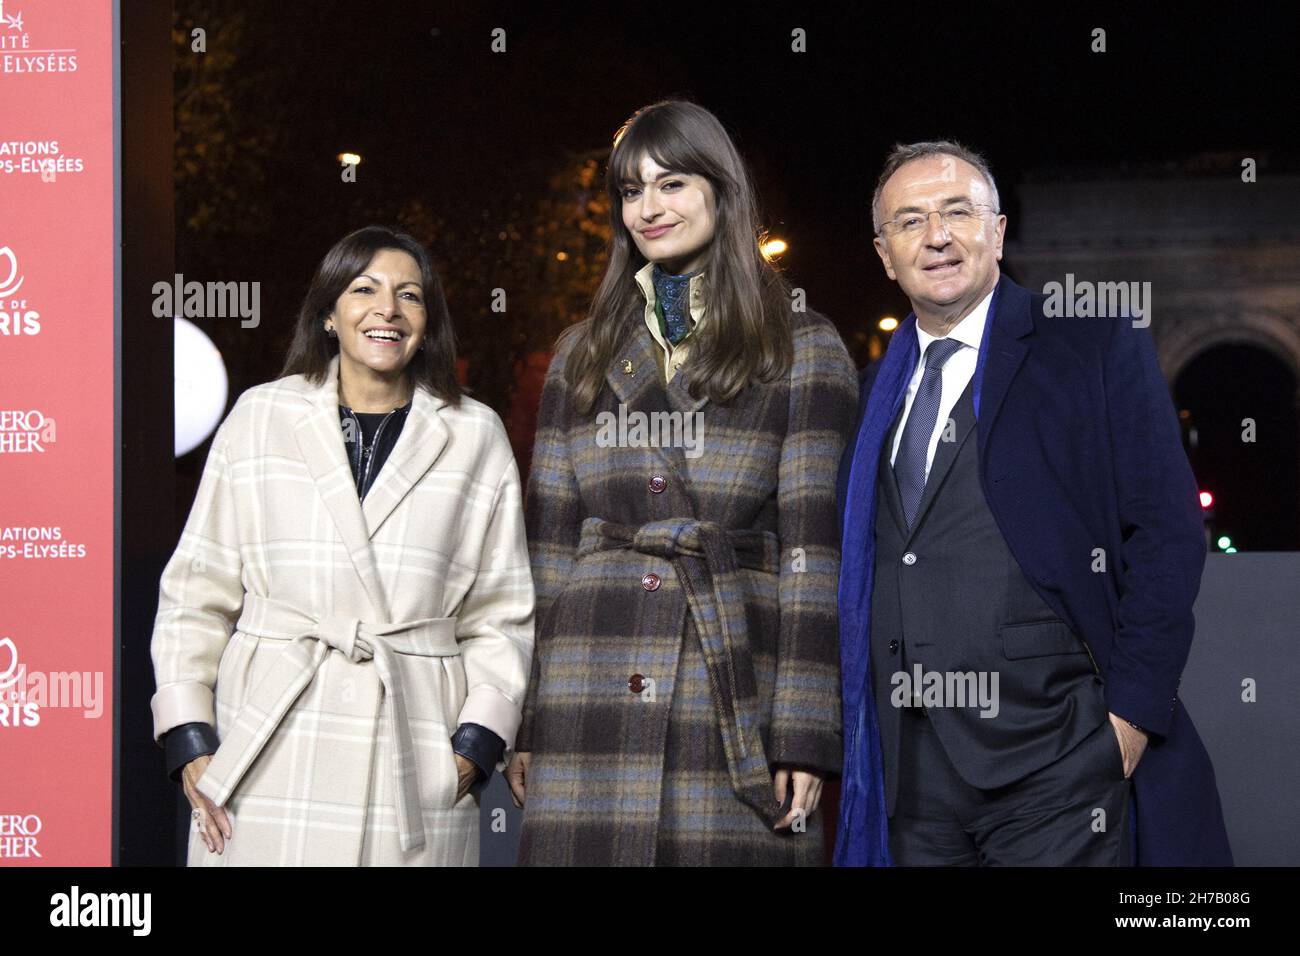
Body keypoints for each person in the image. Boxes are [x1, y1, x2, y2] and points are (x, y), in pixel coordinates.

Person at [835, 141, 1233, 866]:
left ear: (999, 230)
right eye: (911, 220)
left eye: (959, 212)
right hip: (910, 776)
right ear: (885, 254)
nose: (938, 236)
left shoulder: (1091, 344)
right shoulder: (865, 397)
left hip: (1060, 762)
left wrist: (1130, 723)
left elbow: (1169, 533)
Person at [506, 100, 858, 865]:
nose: (649, 209)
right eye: (631, 192)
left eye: (670, 184)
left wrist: (804, 730)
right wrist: (528, 718)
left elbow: (813, 556)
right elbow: (547, 556)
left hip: (732, 687)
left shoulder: (804, 345)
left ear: (721, 189)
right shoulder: (581, 353)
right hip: (586, 691)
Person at [150, 226, 534, 866]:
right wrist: (190, 737)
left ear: (426, 321)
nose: (388, 309)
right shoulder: (259, 417)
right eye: (365, 289)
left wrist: (475, 743)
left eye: (409, 296)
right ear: (329, 313)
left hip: (415, 743)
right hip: (267, 741)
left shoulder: (475, 434)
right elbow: (196, 589)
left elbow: (501, 611)